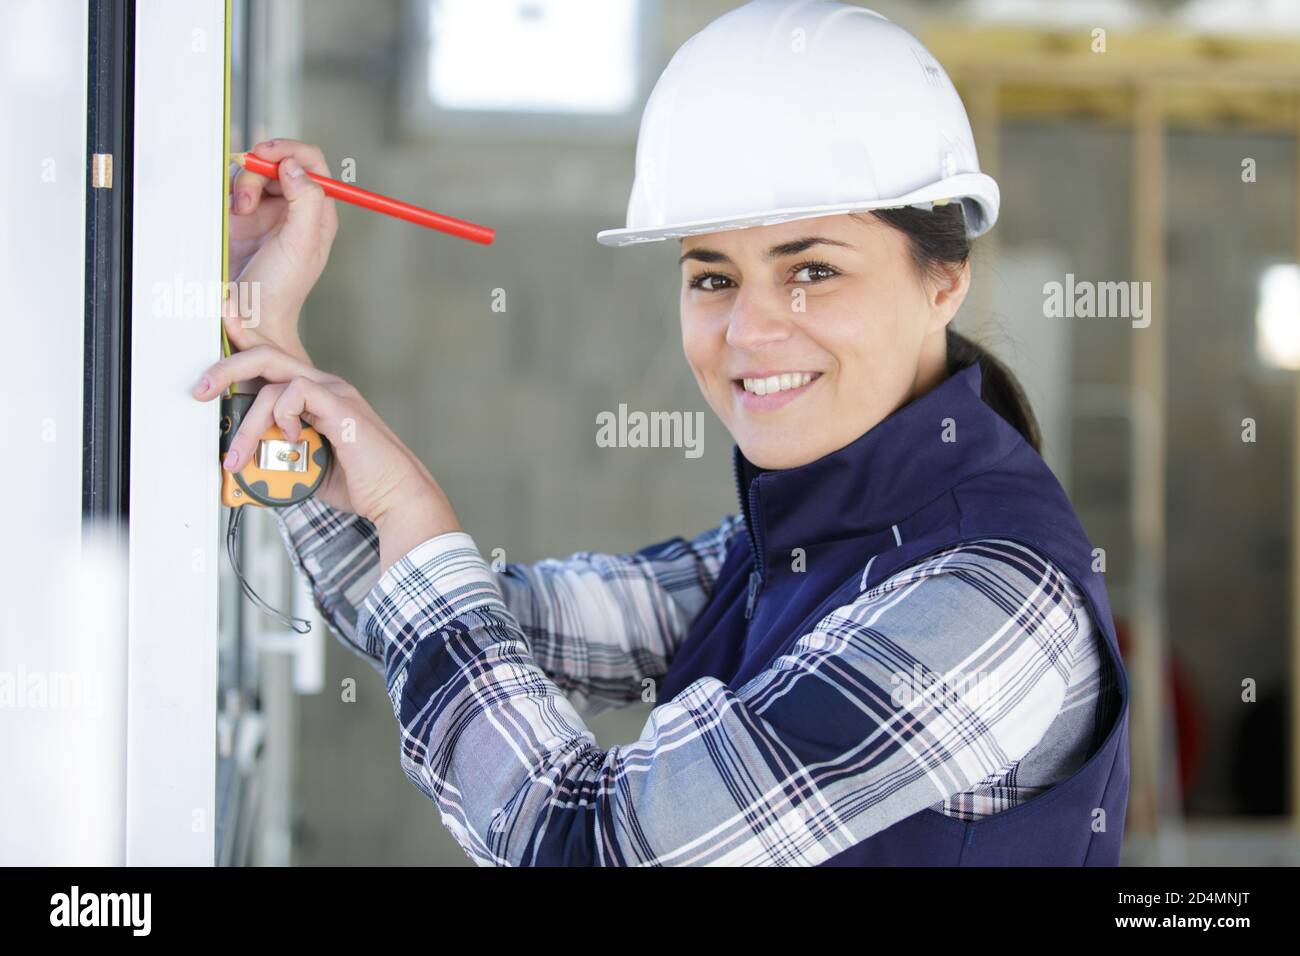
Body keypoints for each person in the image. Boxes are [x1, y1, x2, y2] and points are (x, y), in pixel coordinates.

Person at [196, 0, 1129, 865]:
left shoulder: (992, 606)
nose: (750, 331)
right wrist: (269, 347)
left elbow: (582, 839)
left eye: (812, 270)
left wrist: (408, 508)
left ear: (945, 281)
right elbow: (463, 625)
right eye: (713, 276)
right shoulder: (789, 546)